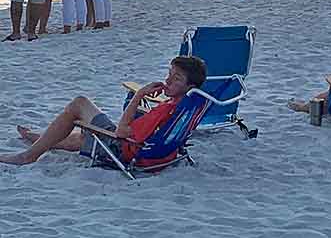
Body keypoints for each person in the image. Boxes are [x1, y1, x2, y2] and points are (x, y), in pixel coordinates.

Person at [0, 56, 207, 168]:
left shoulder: (165, 110)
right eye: (169, 74)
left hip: (122, 150)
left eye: (177, 78)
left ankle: (28, 156)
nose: (168, 80)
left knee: (79, 104)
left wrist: (138, 96)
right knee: (83, 137)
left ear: (189, 86)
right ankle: (40, 139)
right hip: (156, 153)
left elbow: (121, 132)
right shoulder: (188, 105)